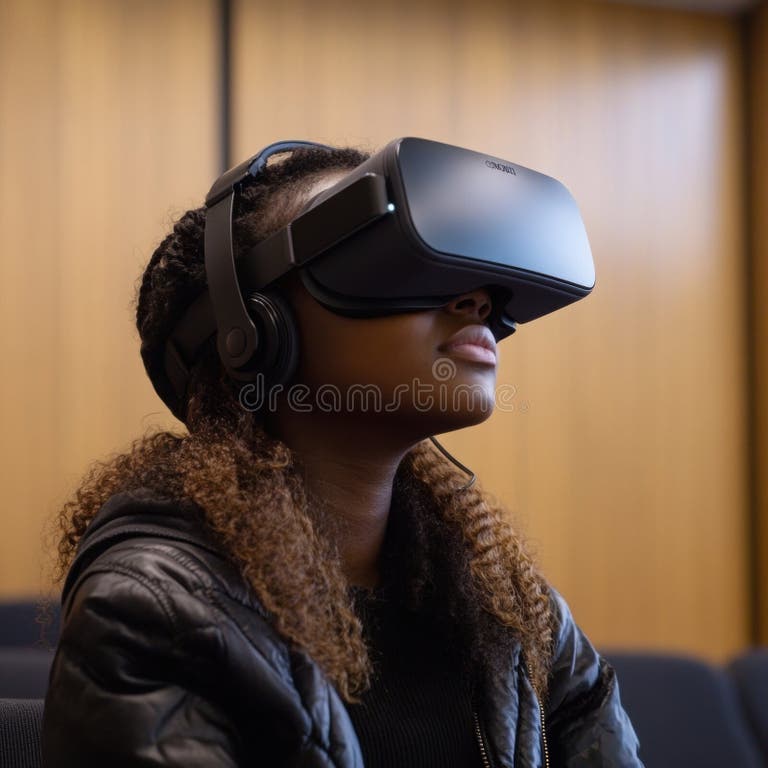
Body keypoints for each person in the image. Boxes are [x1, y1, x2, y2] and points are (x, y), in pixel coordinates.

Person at [42, 143, 643, 767]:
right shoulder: (155, 608)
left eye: (474, 278)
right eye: (393, 260)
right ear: (253, 330)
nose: (477, 301)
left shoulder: (512, 607)